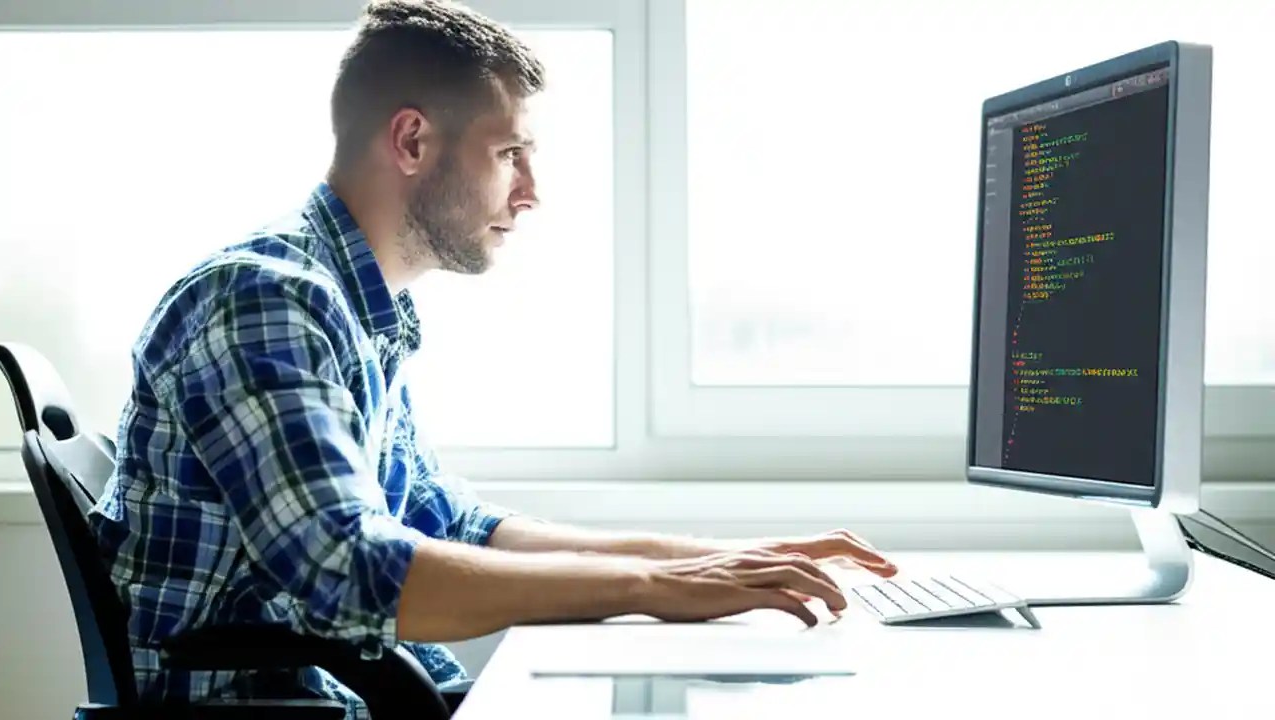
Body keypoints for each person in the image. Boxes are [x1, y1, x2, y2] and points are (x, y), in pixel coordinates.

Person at [89, 0, 898, 715]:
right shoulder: (262, 301)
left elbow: (450, 523)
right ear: (412, 140)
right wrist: (650, 591)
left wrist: (715, 563)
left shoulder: (357, 309)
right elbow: (352, 573)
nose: (531, 189)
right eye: (512, 152)